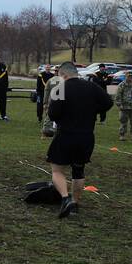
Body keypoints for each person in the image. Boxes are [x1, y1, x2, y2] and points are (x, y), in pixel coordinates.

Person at [46, 62, 112, 218]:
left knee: (57, 169)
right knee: (78, 171)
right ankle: (75, 204)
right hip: (87, 136)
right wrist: (92, 111)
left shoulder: (59, 88)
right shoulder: (92, 87)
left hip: (66, 134)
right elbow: (108, 103)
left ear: (63, 75)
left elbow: (53, 114)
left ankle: (65, 198)